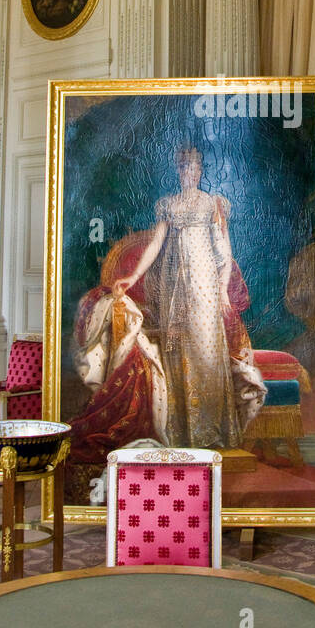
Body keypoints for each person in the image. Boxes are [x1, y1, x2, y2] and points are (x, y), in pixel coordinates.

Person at [78, 146, 266, 452]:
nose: (188, 173)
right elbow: (155, 244)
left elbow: (223, 250)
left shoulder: (213, 204)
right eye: (182, 168)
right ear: (177, 171)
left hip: (205, 284)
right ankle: (186, 435)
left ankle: (213, 431)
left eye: (193, 168)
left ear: (201, 171)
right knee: (180, 352)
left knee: (206, 352)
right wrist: (133, 276)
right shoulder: (168, 204)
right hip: (175, 286)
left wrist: (221, 290)